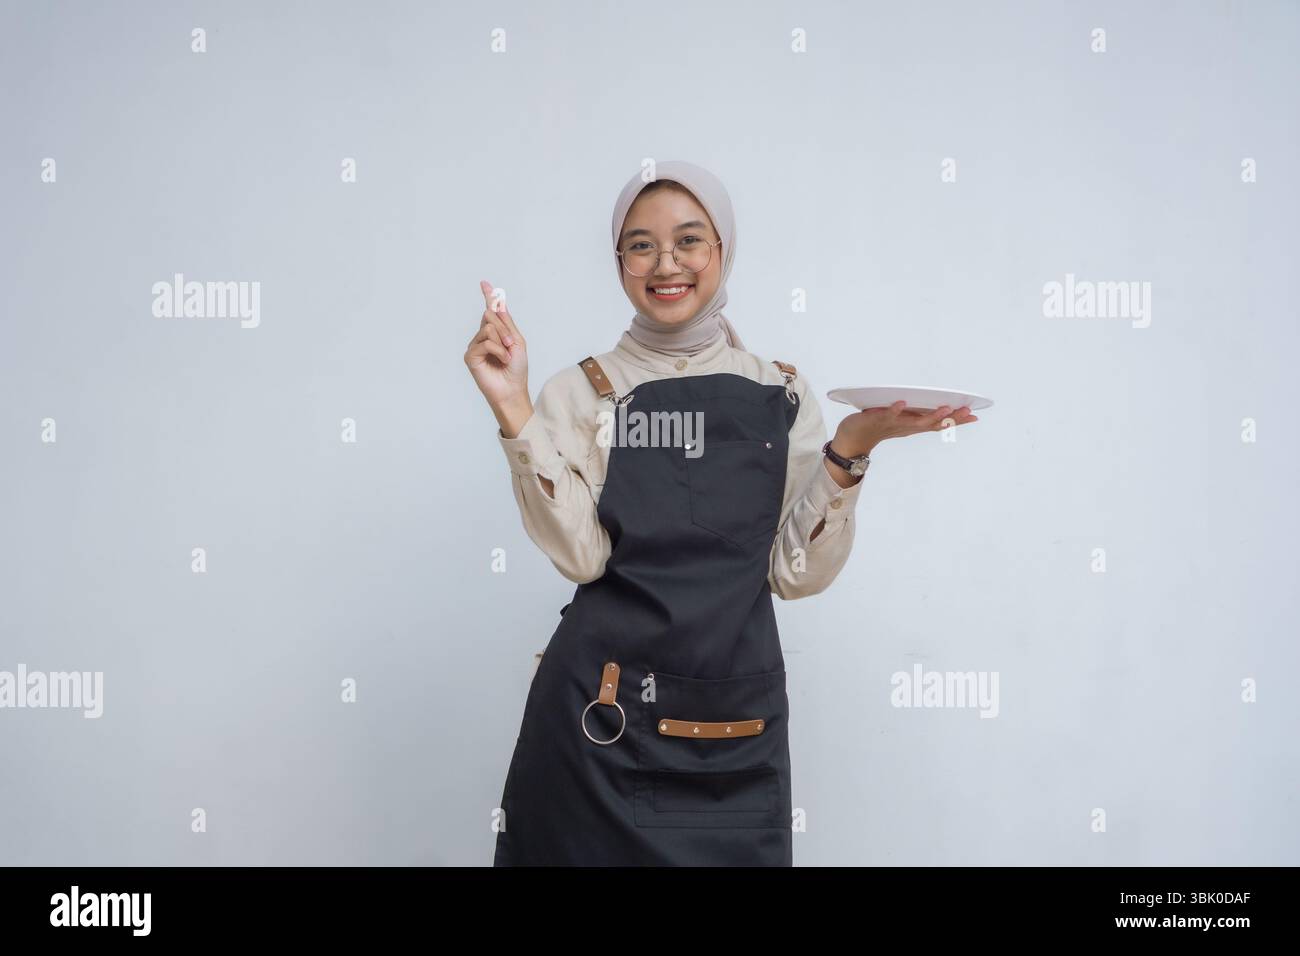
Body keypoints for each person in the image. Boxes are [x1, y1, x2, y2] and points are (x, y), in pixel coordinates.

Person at [465, 160, 977, 866]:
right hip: (598, 719)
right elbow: (583, 558)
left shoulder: (782, 394)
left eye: (689, 240)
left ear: (723, 249)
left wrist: (851, 451)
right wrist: (513, 407)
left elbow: (793, 575)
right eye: (640, 244)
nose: (665, 263)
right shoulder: (580, 391)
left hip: (734, 728)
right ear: (619, 259)